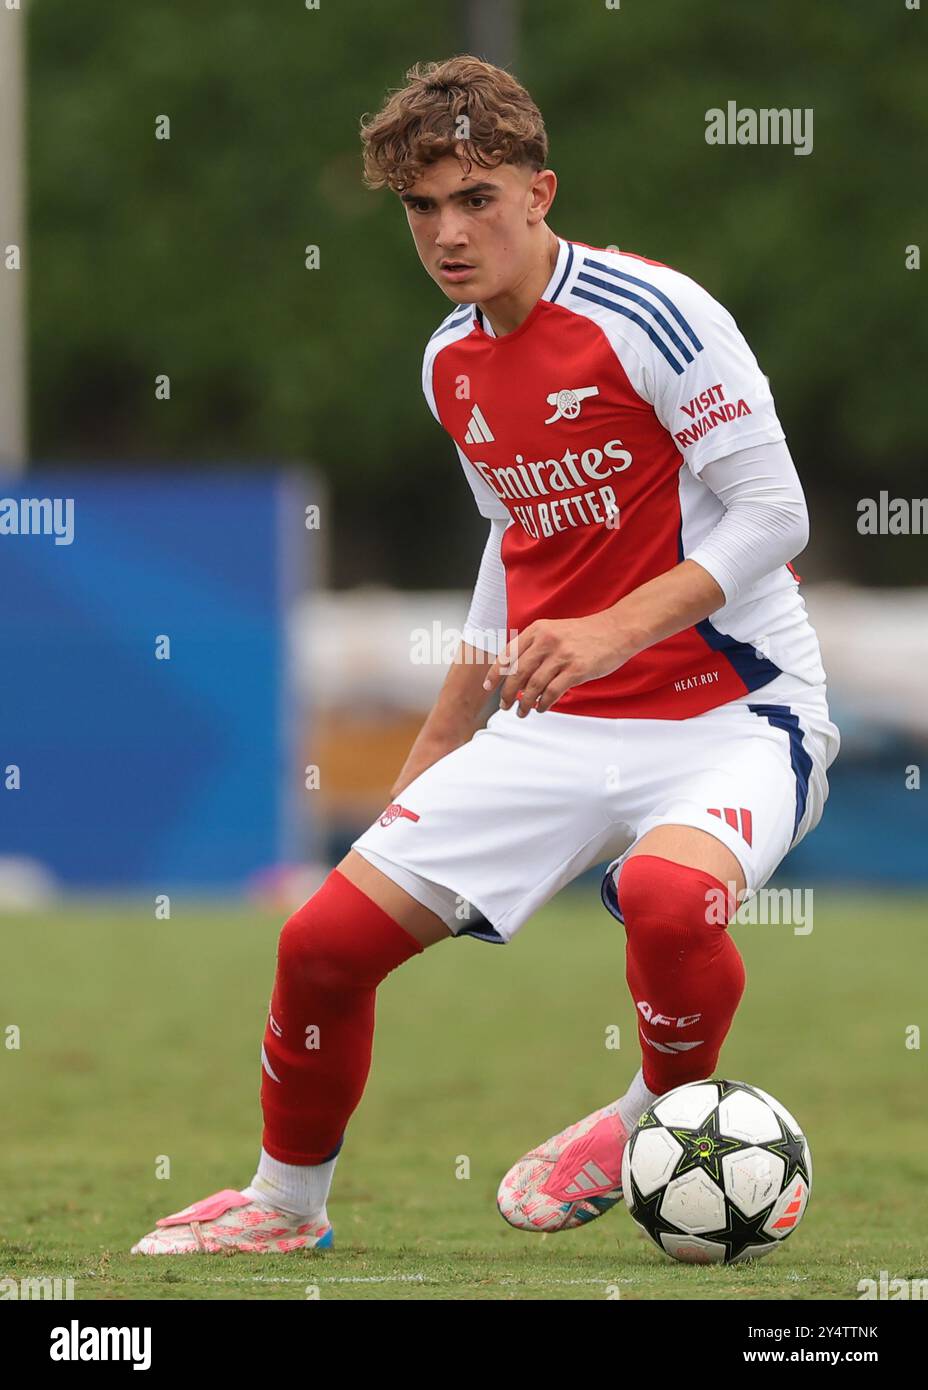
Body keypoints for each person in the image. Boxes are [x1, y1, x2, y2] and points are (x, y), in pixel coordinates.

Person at [132, 55, 839, 1254]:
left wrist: (611, 628)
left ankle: (649, 1111)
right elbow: (515, 546)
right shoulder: (447, 360)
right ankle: (283, 1207)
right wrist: (438, 743)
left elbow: (778, 517)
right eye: (421, 207)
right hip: (561, 722)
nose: (448, 232)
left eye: (475, 199)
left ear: (539, 191)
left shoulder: (657, 315)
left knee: (670, 900)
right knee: (319, 944)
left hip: (738, 711)